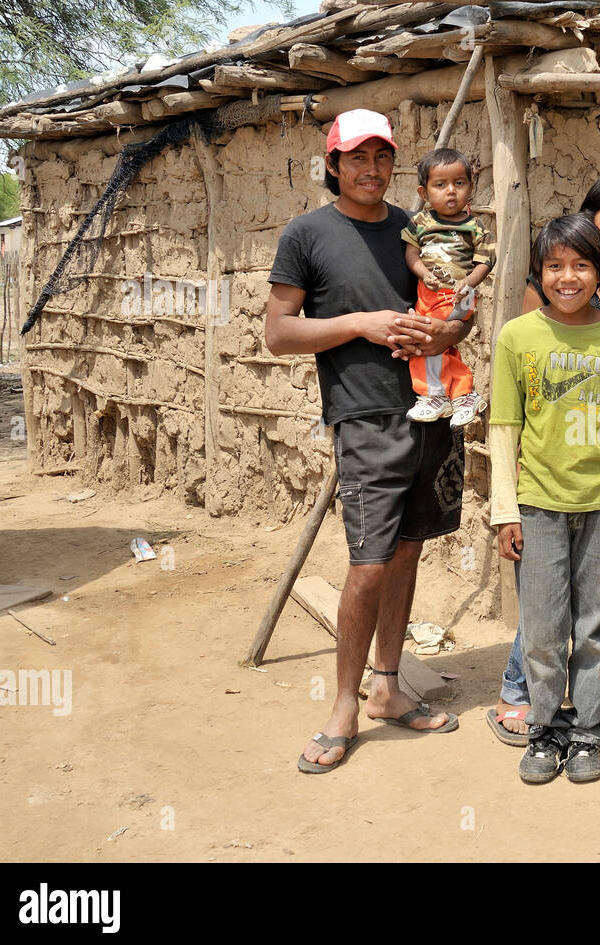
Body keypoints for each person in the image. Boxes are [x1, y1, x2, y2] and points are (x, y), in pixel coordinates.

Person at [265, 108, 461, 774]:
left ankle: (388, 685)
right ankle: (343, 705)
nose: (371, 169)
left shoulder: (417, 227)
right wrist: (361, 324)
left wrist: (444, 333)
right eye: (357, 157)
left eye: (382, 157)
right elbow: (279, 333)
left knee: (407, 553)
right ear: (333, 163)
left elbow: (454, 310)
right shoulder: (307, 235)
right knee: (368, 562)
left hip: (431, 410)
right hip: (364, 417)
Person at [488, 172, 600, 743]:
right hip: (538, 503)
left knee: (594, 627)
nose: (567, 278)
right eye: (554, 268)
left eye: (581, 267)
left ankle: (591, 726)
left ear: (599, 274)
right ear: (539, 274)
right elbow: (504, 426)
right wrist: (503, 510)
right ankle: (543, 728)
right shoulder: (518, 336)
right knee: (543, 627)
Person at [403, 147, 494, 428]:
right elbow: (411, 254)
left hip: (459, 296)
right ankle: (462, 395)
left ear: (470, 186)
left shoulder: (475, 227)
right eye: (440, 185)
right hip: (428, 294)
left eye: (459, 183)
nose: (451, 191)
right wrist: (422, 273)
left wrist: (468, 283)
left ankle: (435, 394)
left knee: (428, 343)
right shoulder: (421, 223)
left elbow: (485, 261)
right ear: (424, 193)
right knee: (436, 344)